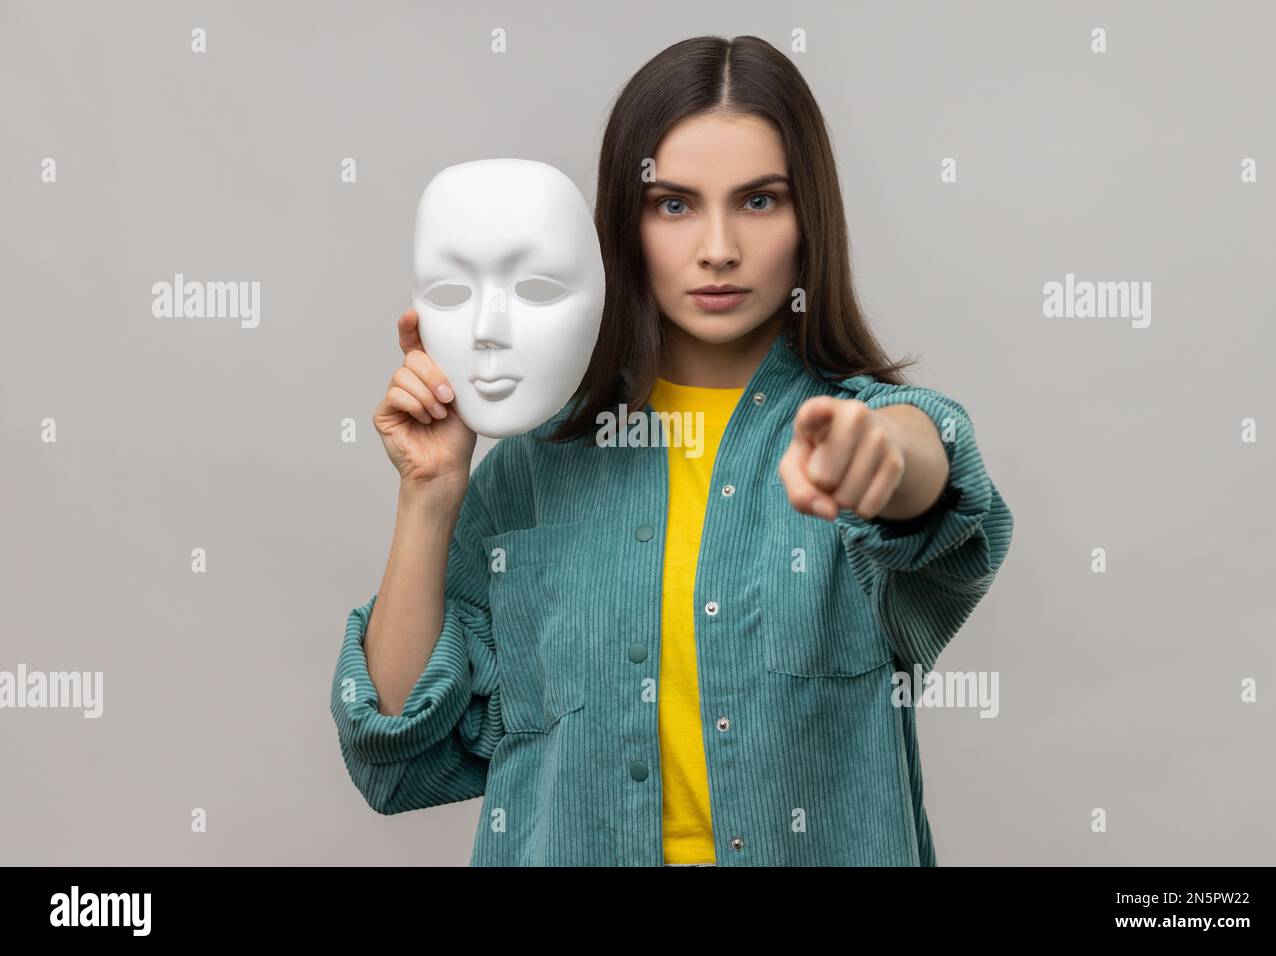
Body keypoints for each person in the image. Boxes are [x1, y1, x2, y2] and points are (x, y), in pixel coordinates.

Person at [329, 34, 1013, 867]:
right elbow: (396, 758)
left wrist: (884, 459)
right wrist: (431, 490)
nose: (717, 246)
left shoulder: (861, 427)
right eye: (675, 204)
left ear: (810, 221)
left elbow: (933, 475)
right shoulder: (533, 474)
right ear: (624, 225)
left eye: (759, 201)